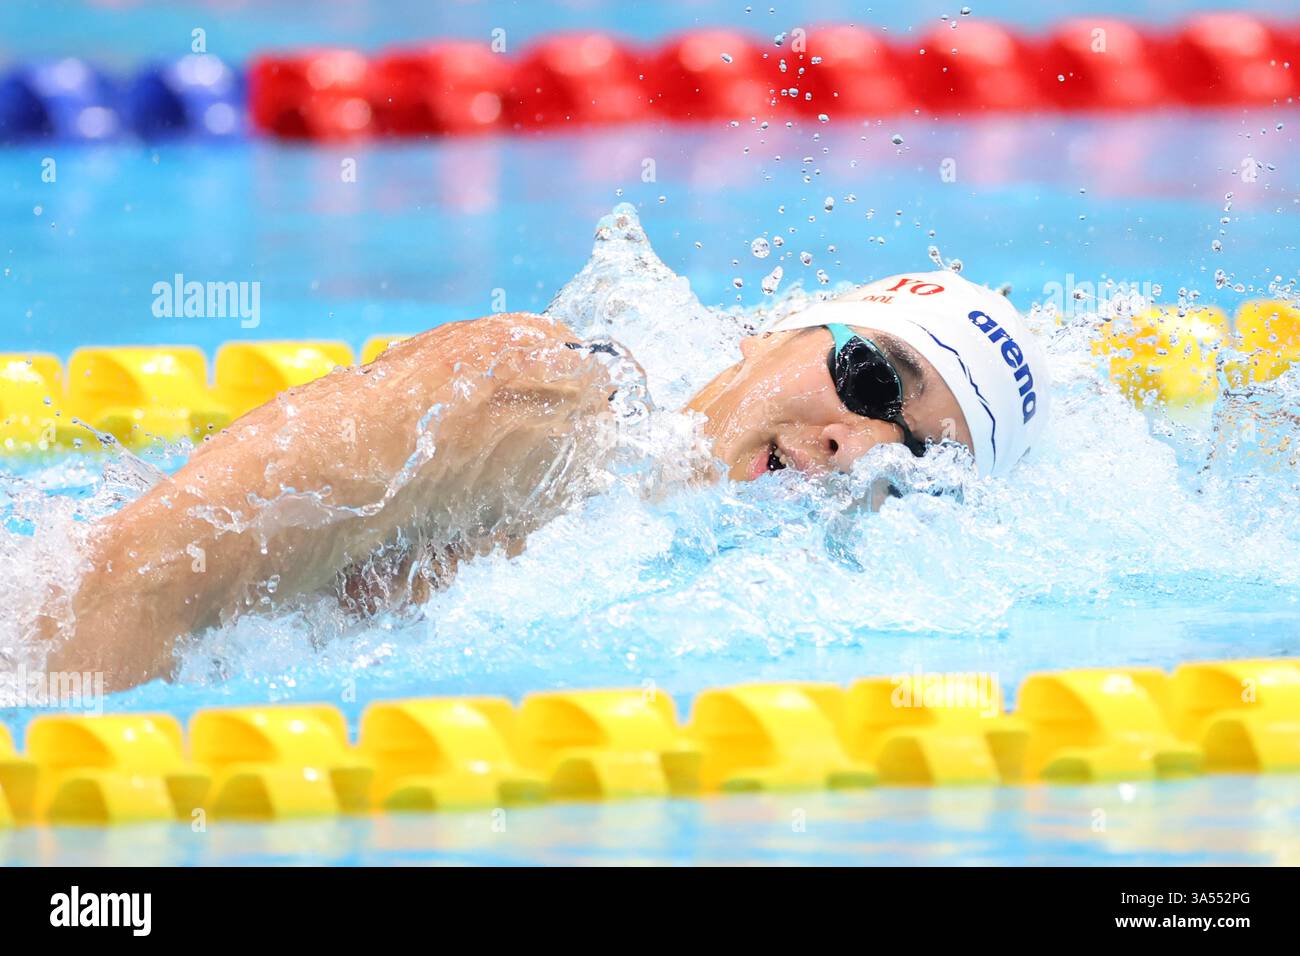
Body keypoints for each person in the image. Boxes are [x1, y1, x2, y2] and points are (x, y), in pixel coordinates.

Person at [36, 270, 1050, 690]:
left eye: (919, 465)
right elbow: (134, 579)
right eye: (869, 376)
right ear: (777, 327)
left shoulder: (671, 583)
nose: (855, 447)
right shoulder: (534, 399)